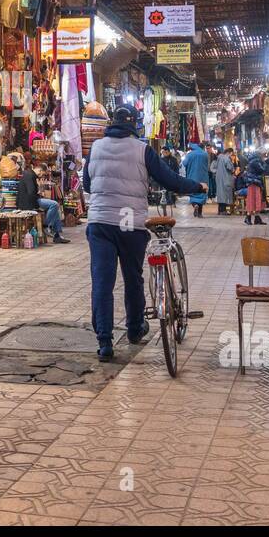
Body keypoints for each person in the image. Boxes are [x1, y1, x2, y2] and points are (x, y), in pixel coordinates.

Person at [83, 106, 205, 360]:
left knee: (102, 283)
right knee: (132, 277)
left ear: (111, 123)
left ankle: (104, 342)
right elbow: (169, 180)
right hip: (129, 221)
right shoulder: (142, 149)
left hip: (100, 222)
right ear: (134, 125)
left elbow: (87, 184)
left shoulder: (95, 148)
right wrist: (197, 186)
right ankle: (135, 328)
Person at [16, 159, 69, 244]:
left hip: (30, 200)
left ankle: (57, 235)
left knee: (55, 209)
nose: (41, 176)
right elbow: (31, 193)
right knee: (54, 204)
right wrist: (37, 205)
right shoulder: (30, 176)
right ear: (40, 170)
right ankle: (46, 225)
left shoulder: (29, 174)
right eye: (43, 174)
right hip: (28, 203)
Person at [180, 140, 210, 217]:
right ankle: (200, 213)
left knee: (193, 193)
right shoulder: (205, 154)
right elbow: (207, 165)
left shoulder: (190, 155)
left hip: (192, 176)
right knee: (202, 192)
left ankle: (195, 205)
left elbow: (184, 163)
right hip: (203, 177)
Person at [242, 152, 267, 225]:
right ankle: (248, 217)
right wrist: (265, 163)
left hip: (253, 182)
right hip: (254, 182)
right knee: (253, 199)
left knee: (255, 199)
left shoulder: (252, 161)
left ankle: (256, 218)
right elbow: (262, 170)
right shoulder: (256, 162)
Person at [214, 147, 236, 215]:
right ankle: (223, 211)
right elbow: (230, 168)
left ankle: (220, 210)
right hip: (225, 178)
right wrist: (233, 169)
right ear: (229, 152)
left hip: (219, 178)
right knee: (225, 195)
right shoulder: (226, 158)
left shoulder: (219, 158)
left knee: (220, 194)